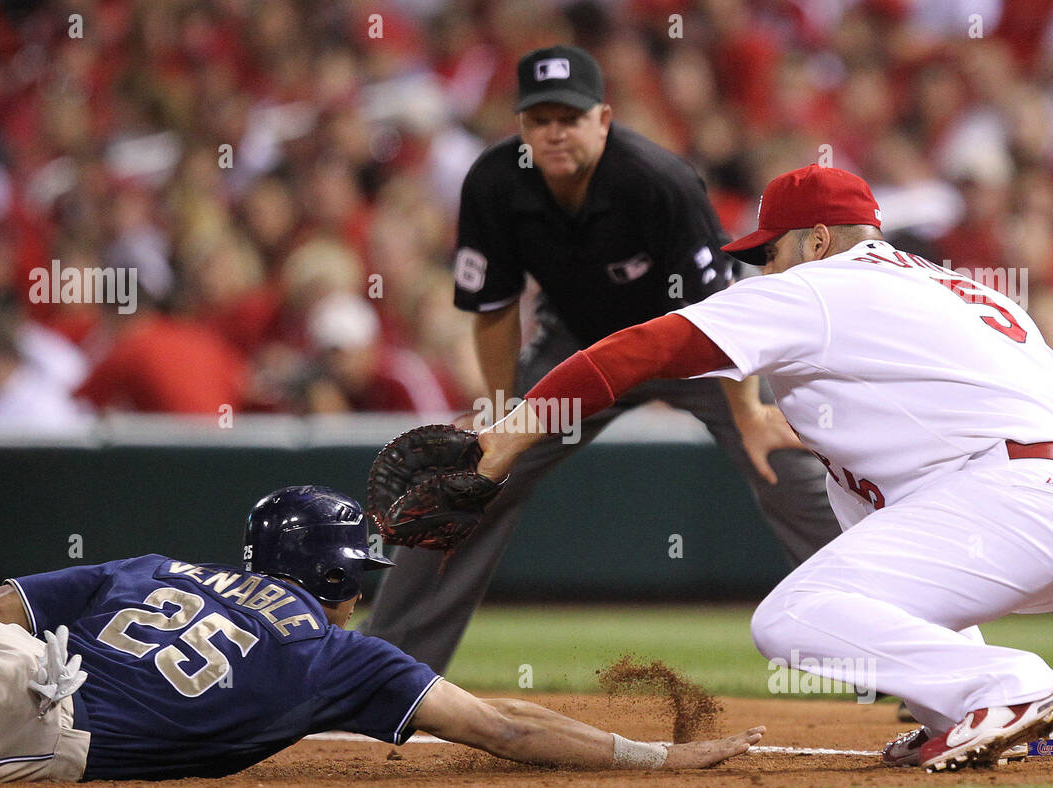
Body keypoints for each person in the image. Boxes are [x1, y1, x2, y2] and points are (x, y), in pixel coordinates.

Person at [467, 164, 1053, 773]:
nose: (760, 270)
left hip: (1015, 499)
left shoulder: (821, 286)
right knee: (870, 540)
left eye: (768, 252)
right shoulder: (958, 288)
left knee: (790, 616)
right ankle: (977, 712)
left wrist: (510, 434)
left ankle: (1010, 686)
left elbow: (642, 347)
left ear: (815, 242)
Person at [360, 46, 840, 672]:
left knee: (782, 461)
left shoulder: (659, 180)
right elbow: (495, 308)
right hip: (579, 349)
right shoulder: (495, 181)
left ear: (603, 118)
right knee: (475, 475)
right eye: (540, 119)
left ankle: (880, 647)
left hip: (688, 341)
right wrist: (501, 412)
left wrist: (749, 412)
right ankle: (383, 664)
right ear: (521, 125)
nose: (555, 132)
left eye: (570, 117)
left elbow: (719, 311)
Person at [0, 485, 763, 783]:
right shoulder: (338, 654)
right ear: (333, 578)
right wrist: (653, 757)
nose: (358, 594)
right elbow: (503, 724)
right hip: (36, 722)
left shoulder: (157, 565)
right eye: (355, 576)